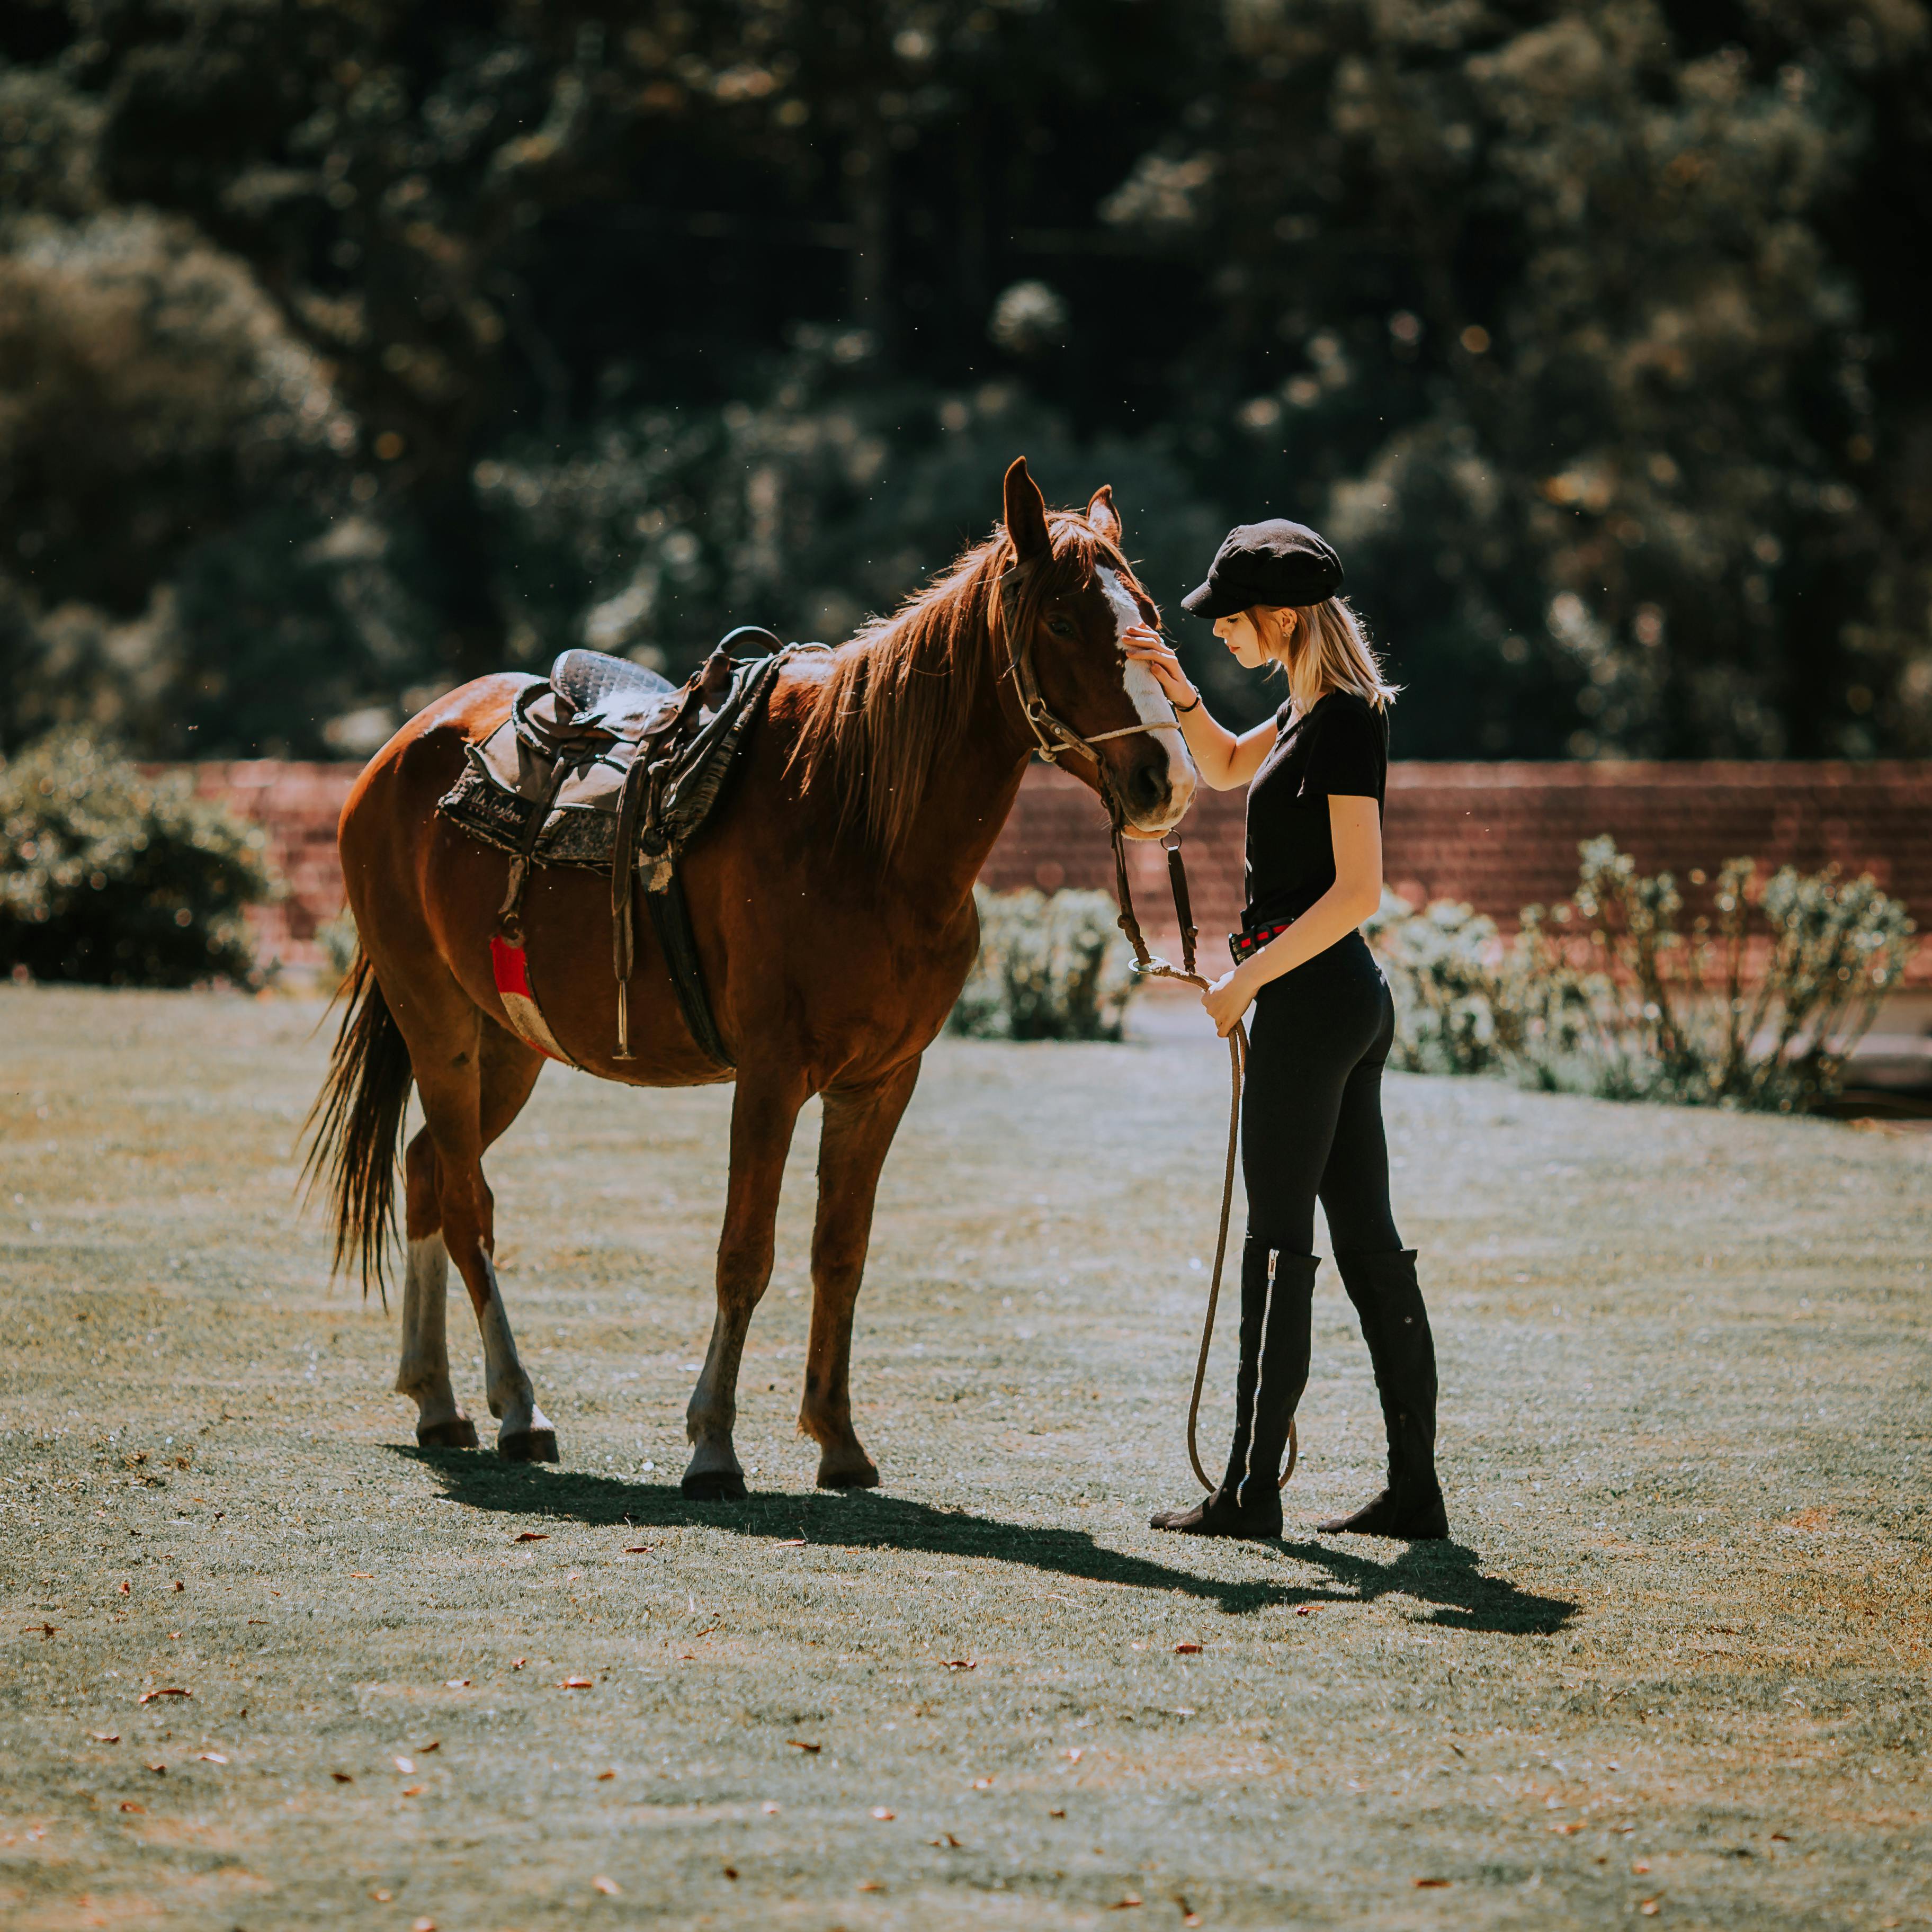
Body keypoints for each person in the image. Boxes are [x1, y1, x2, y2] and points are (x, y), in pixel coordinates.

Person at [1122, 519, 1448, 1542]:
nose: (1221, 631)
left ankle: (1249, 1496)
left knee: (1276, 1246)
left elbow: (1361, 888)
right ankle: (1414, 1495)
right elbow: (1219, 765)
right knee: (1367, 1247)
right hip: (1339, 1003)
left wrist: (1242, 983)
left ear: (1286, 613)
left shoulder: (1346, 721)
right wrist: (1174, 682)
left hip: (1315, 1003)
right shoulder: (1310, 711)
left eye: (1231, 619)